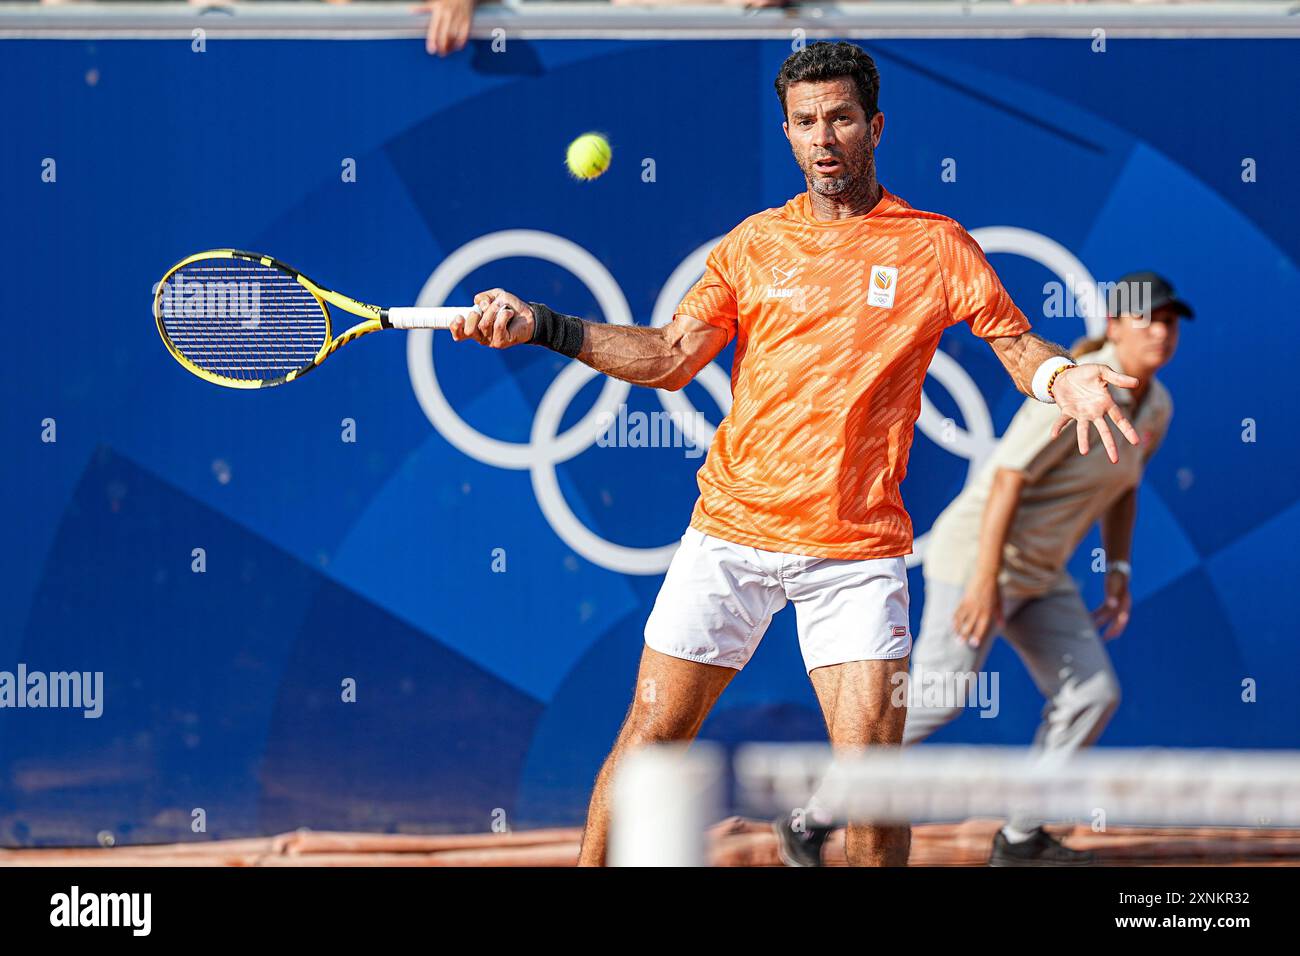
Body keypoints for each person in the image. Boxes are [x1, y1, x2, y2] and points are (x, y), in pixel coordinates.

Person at [447, 41, 1140, 866]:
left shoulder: (935, 245)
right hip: (729, 535)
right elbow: (670, 357)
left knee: (874, 780)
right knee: (653, 735)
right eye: (806, 122)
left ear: (874, 126)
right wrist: (542, 324)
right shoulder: (752, 245)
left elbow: (1014, 342)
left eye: (841, 118)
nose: (824, 137)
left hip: (854, 554)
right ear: (787, 132)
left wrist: (1064, 379)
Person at [775, 272, 1188, 866]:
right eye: (1149, 318)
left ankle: (1020, 837)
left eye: (1171, 322)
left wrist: (1117, 567)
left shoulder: (1159, 406)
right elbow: (1005, 479)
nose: (1163, 332)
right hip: (976, 559)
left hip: (1041, 576)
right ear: (1116, 325)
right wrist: (983, 581)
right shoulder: (1078, 386)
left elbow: (1125, 483)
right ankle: (809, 819)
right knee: (937, 700)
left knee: (1092, 694)